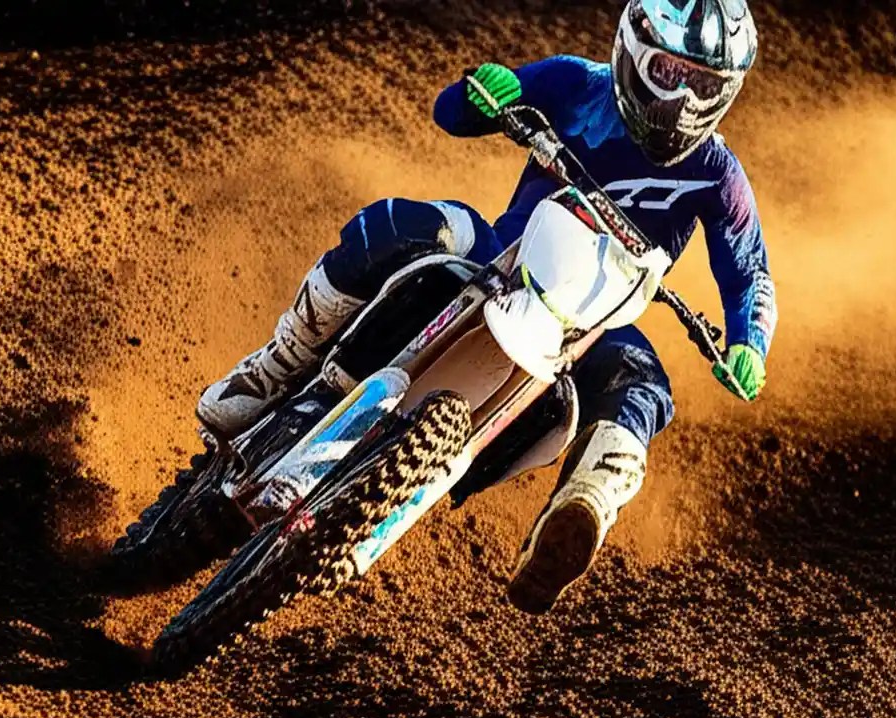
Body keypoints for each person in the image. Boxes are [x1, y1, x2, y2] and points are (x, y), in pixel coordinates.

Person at [196, 0, 777, 614]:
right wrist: (483, 93)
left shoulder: (718, 175)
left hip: (589, 324)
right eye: (670, 74)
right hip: (505, 256)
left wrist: (748, 344)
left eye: (704, 85)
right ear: (634, 53)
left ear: (729, 91)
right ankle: (276, 367)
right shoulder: (576, 85)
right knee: (401, 226)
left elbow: (748, 273)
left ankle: (581, 512)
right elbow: (451, 112)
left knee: (642, 387)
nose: (683, 102)